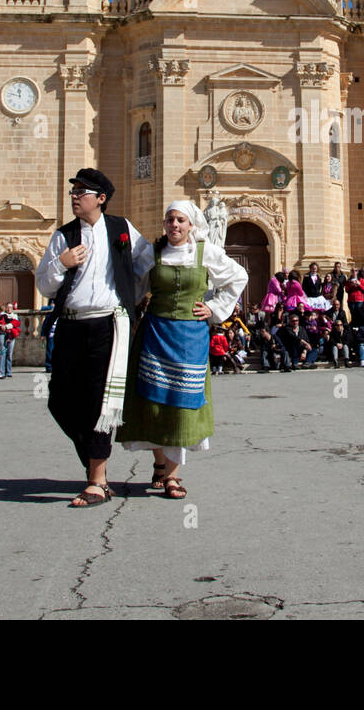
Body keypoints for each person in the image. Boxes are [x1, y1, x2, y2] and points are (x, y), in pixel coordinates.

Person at [36, 168, 154, 508]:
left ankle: (97, 480)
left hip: (108, 324)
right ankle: (93, 462)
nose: (75, 196)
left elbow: (147, 262)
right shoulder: (64, 236)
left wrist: (130, 296)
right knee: (60, 399)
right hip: (72, 324)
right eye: (73, 191)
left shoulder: (121, 229)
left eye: (82, 192)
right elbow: (44, 285)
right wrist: (61, 263)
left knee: (100, 402)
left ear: (100, 198)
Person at [117, 201, 247, 500]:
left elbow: (238, 277)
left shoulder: (205, 253)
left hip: (190, 337)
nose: (174, 225)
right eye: (170, 220)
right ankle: (160, 464)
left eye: (180, 220)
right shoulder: (153, 252)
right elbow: (134, 284)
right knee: (154, 400)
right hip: (155, 334)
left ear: (191, 225)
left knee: (181, 401)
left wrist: (214, 308)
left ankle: (173, 474)